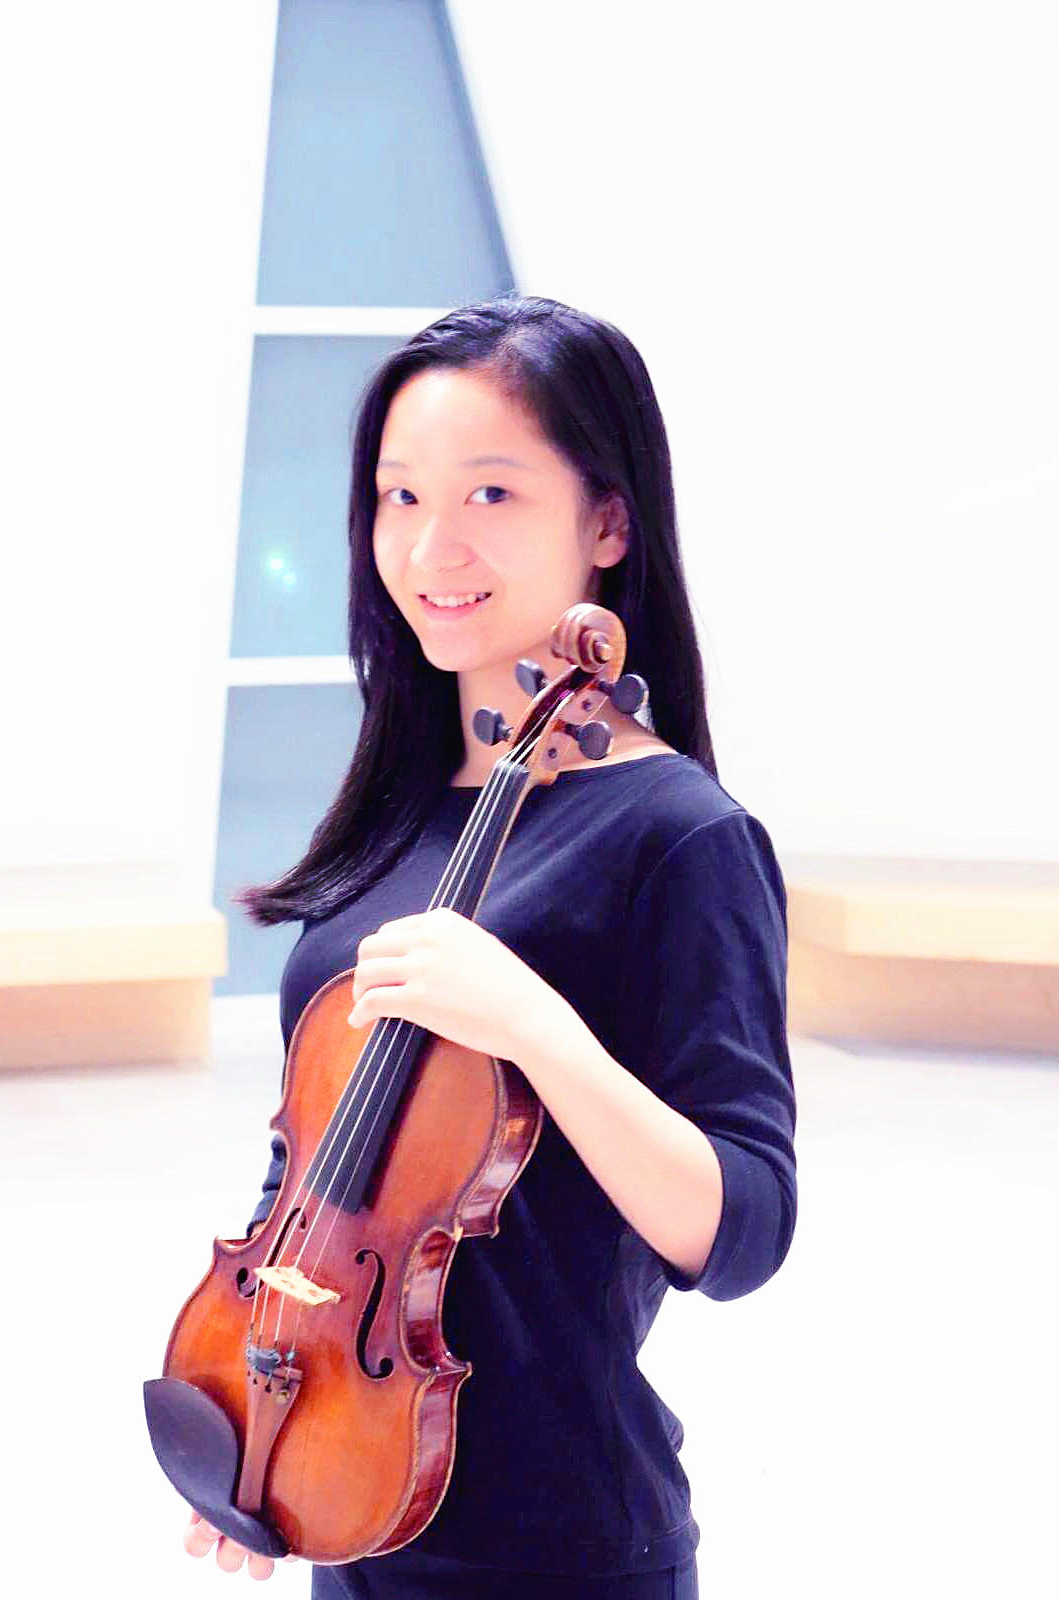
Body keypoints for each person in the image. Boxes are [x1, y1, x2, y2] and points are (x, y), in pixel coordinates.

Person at [181, 295, 798, 1596]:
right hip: (355, 1502)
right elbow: (321, 1162)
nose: (432, 545)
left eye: (493, 495)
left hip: (562, 1546)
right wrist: (256, 1407)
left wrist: (534, 1027)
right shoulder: (403, 810)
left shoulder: (679, 837)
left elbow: (742, 1229)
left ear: (610, 524)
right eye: (399, 497)